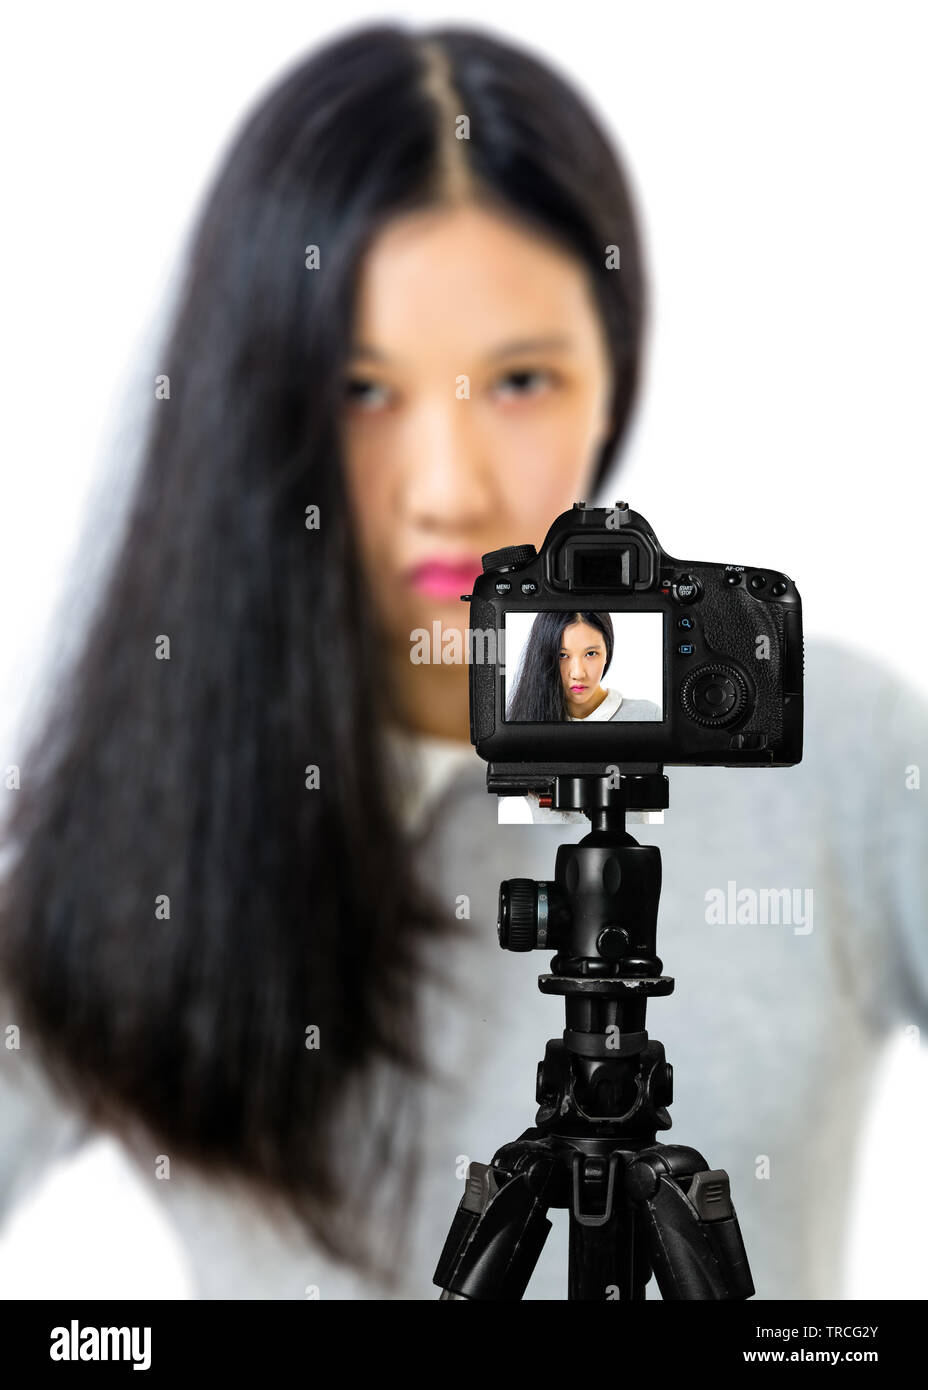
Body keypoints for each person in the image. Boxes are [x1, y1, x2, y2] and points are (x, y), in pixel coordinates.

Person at [1, 23, 926, 1301]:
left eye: (521, 380)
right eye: (362, 390)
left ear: (619, 371)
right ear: (258, 403)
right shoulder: (145, 815)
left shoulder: (839, 747)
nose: (450, 486)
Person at [506, 610, 662, 722]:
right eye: (562, 655)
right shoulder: (517, 719)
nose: (578, 673)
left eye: (591, 654)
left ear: (607, 652)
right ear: (543, 657)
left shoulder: (647, 716)